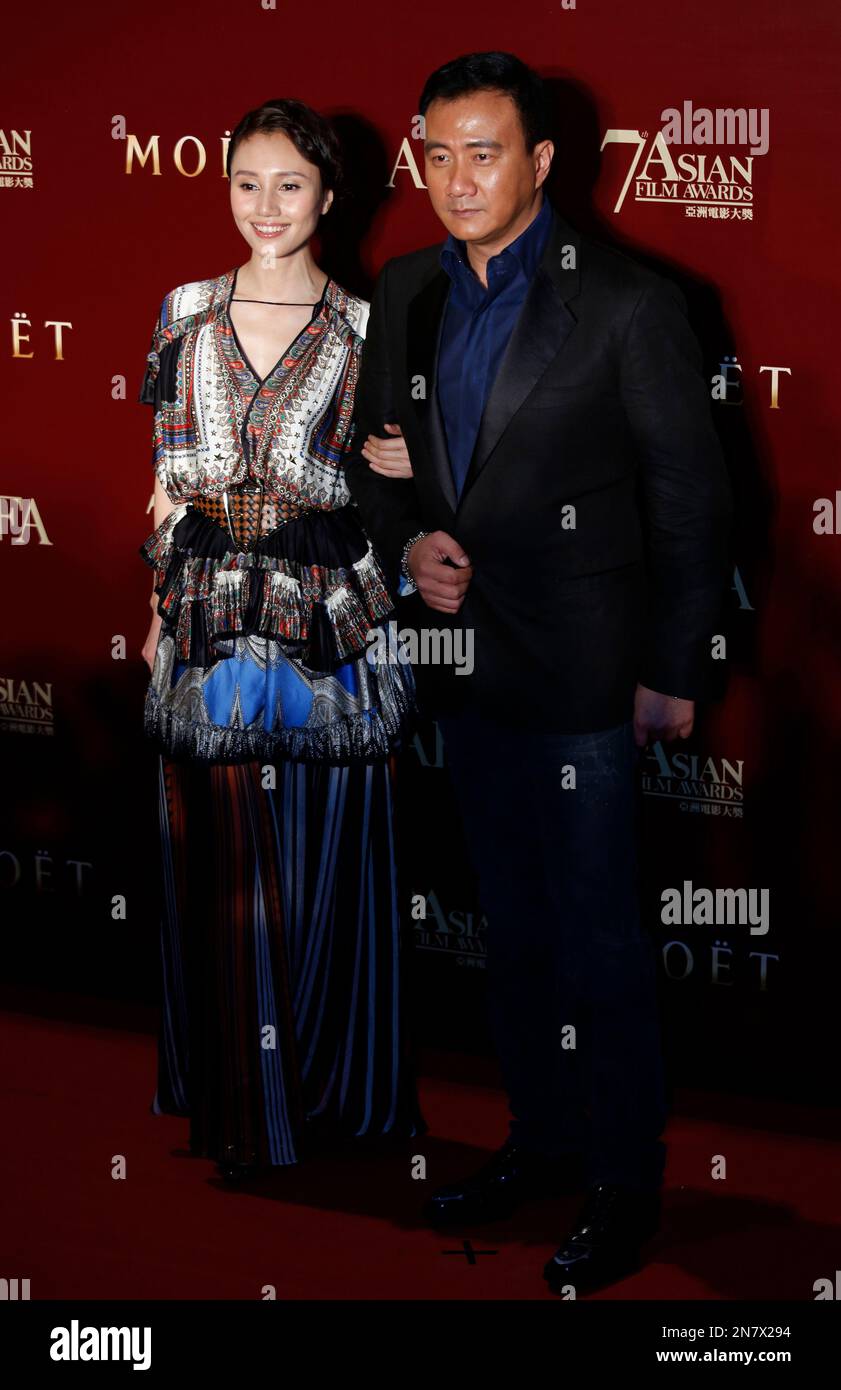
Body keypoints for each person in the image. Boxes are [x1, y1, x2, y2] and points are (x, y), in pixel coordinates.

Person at [346, 51, 733, 1292]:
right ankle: (542, 1139)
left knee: (597, 941)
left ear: (543, 163)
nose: (456, 179)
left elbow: (690, 501)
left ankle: (623, 1182)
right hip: (462, 672)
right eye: (437, 153)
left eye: (486, 152)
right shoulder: (403, 288)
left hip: (583, 678)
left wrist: (673, 668)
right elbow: (370, 457)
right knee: (511, 934)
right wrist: (411, 548)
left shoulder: (628, 304)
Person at [138, 97, 425, 1182]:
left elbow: (396, 474)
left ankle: (328, 1102)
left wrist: (410, 474)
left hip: (328, 623)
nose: (267, 206)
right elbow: (166, 475)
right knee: (222, 871)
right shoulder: (183, 308)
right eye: (247, 182)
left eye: (290, 185)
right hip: (205, 615)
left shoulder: (365, 324)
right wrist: (155, 600)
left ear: (331, 195)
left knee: (319, 867)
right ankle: (239, 1113)